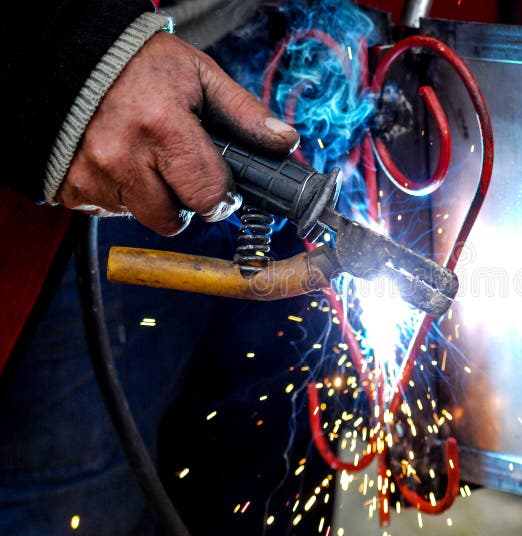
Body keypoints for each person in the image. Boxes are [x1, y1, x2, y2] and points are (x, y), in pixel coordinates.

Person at [0, 1, 329, 533]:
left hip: (294, 70)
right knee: (70, 498)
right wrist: (59, 55)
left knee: (268, 479)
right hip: (97, 121)